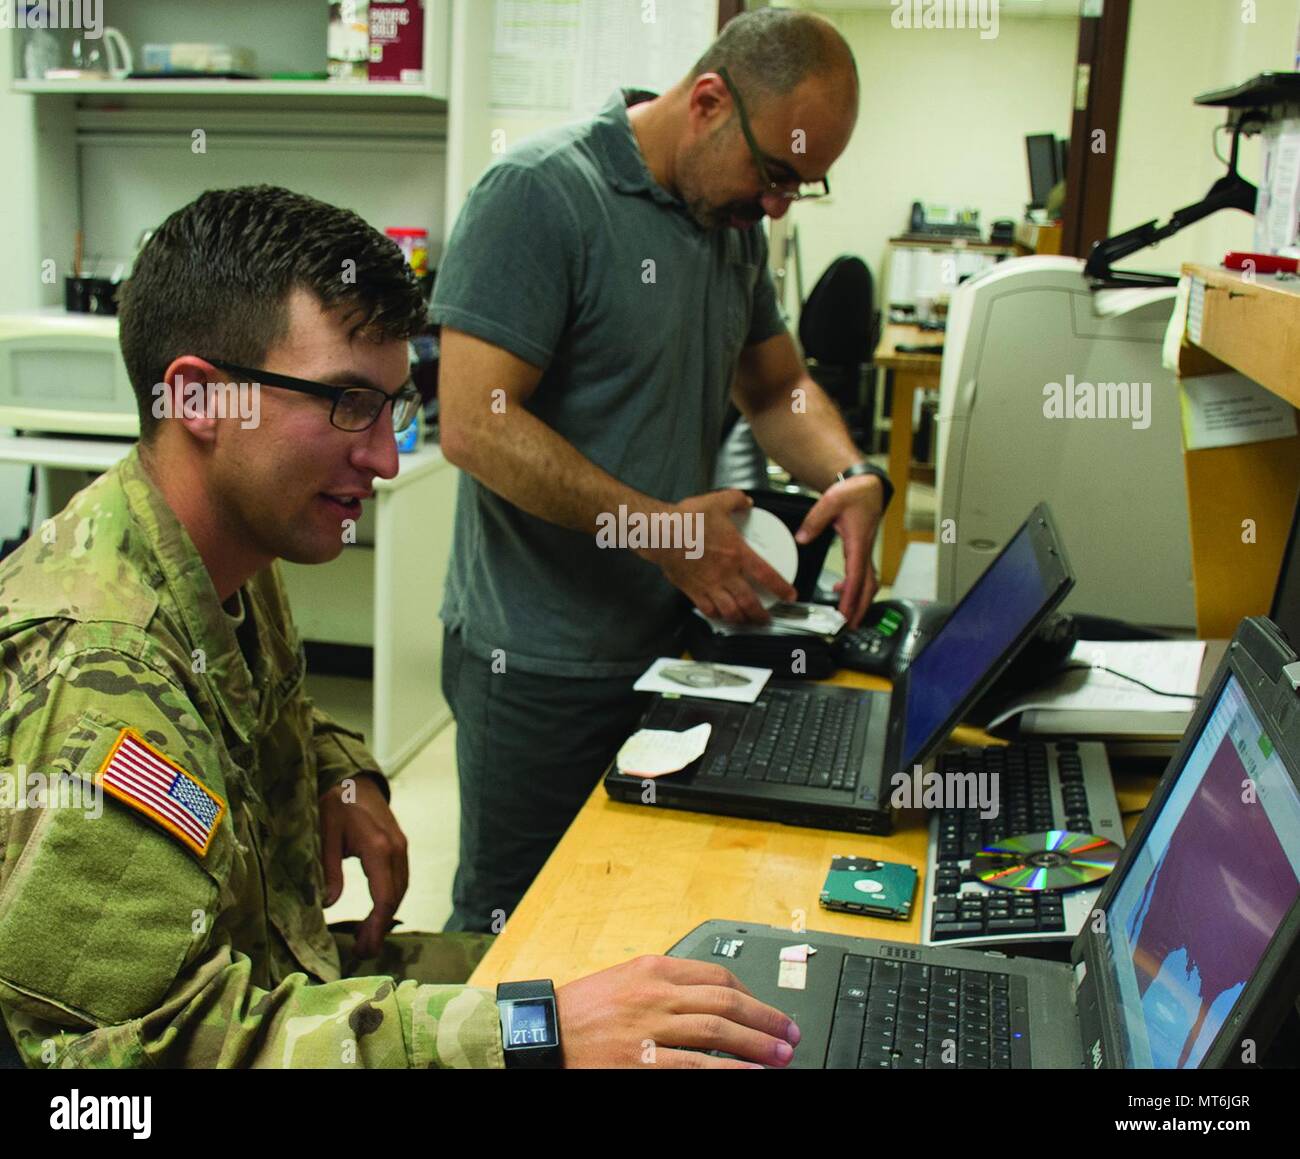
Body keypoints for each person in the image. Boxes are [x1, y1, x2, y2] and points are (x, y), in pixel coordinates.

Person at [0, 186, 800, 1069]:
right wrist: (533, 1034)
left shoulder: (220, 551)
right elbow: (144, 1059)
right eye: (348, 404)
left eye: (394, 407)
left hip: (284, 982)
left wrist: (344, 772)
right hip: (224, 1035)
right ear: (199, 399)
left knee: (665, 984)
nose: (383, 457)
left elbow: (258, 715)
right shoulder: (98, 670)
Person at [433, 8, 892, 933]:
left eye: (804, 186)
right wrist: (663, 532)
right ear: (710, 101)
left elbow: (776, 386)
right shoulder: (538, 195)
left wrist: (850, 471)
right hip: (540, 661)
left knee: (638, 911)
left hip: (674, 645)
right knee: (516, 936)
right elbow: (475, 426)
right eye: (774, 174)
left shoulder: (729, 225)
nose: (778, 205)